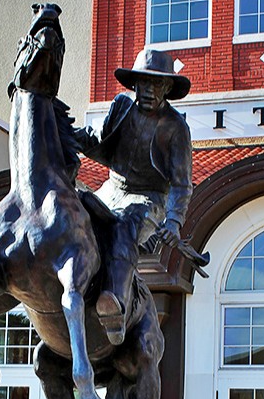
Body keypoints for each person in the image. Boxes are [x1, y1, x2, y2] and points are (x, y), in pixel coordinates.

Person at [76, 48, 207, 344]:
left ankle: (114, 306)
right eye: (144, 83)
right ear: (134, 84)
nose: (149, 90)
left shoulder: (176, 128)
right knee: (76, 213)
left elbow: (181, 183)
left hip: (148, 200)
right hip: (111, 188)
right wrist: (69, 136)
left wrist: (173, 221)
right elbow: (100, 145)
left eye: (157, 84)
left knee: (123, 227)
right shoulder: (121, 107)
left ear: (168, 89)